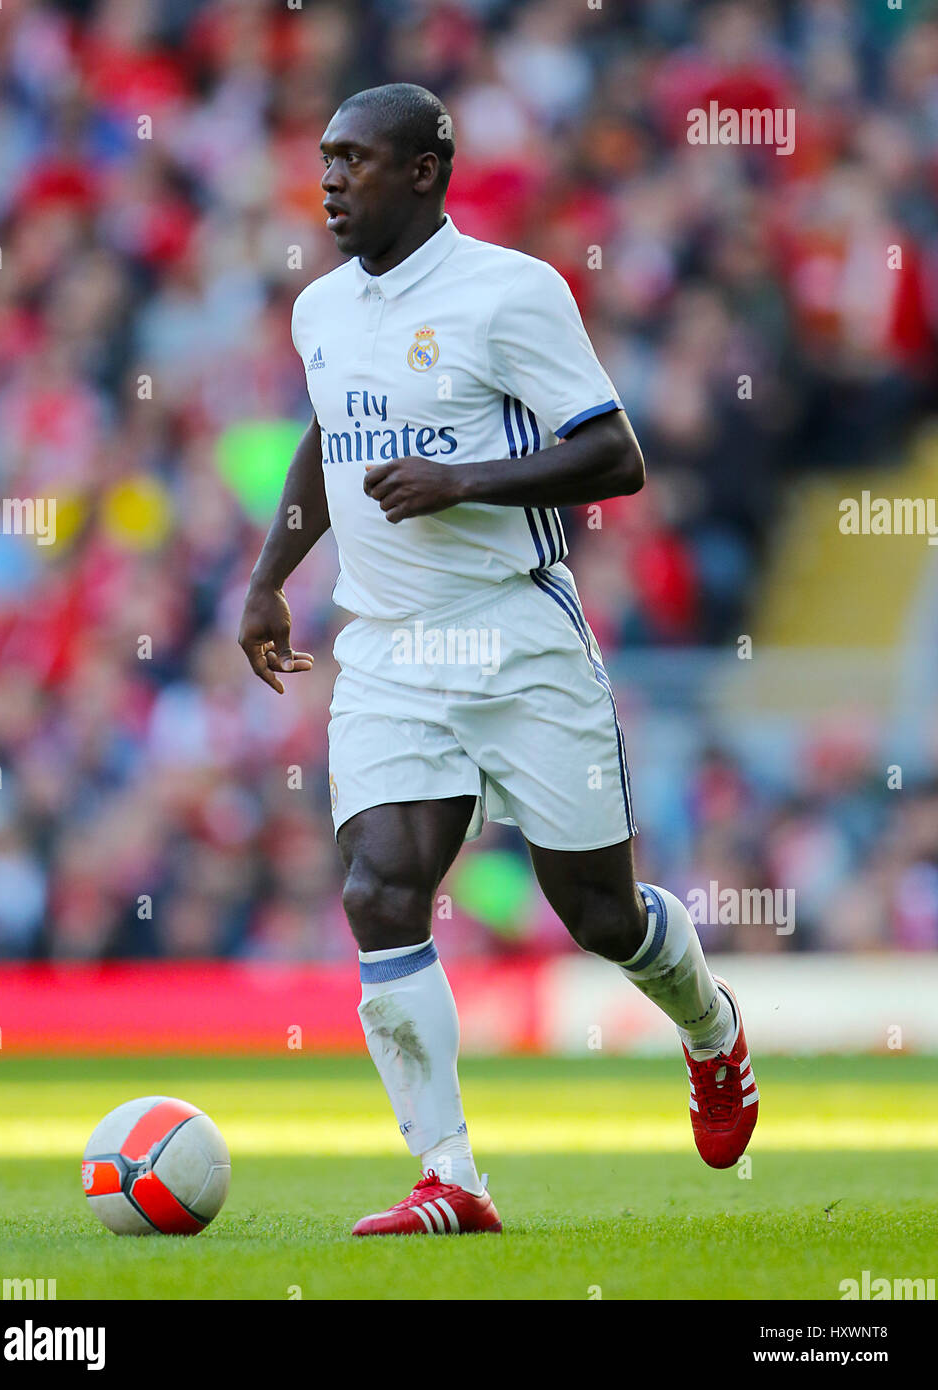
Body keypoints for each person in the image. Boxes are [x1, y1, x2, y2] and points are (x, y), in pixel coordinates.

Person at [238, 83, 757, 1236]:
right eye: (324, 160)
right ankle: (451, 1175)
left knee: (599, 914)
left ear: (424, 172)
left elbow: (615, 455)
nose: (330, 182)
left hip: (518, 636)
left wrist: (461, 481)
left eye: (355, 160)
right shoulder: (321, 308)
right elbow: (328, 439)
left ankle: (711, 1029)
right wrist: (269, 578)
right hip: (388, 647)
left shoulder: (511, 292)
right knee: (380, 887)